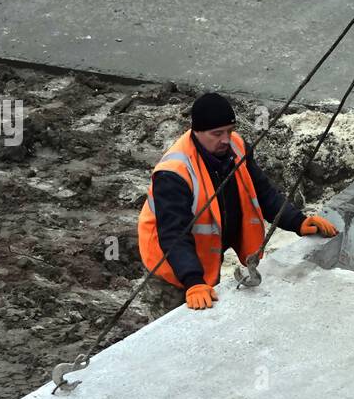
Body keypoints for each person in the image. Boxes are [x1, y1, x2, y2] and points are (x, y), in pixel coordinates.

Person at [137, 93, 336, 310]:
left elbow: (262, 192)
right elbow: (174, 234)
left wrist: (297, 222)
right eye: (217, 133)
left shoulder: (236, 147)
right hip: (171, 266)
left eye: (230, 131)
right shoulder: (174, 173)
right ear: (196, 131)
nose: (226, 139)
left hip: (205, 255)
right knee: (173, 332)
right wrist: (193, 281)